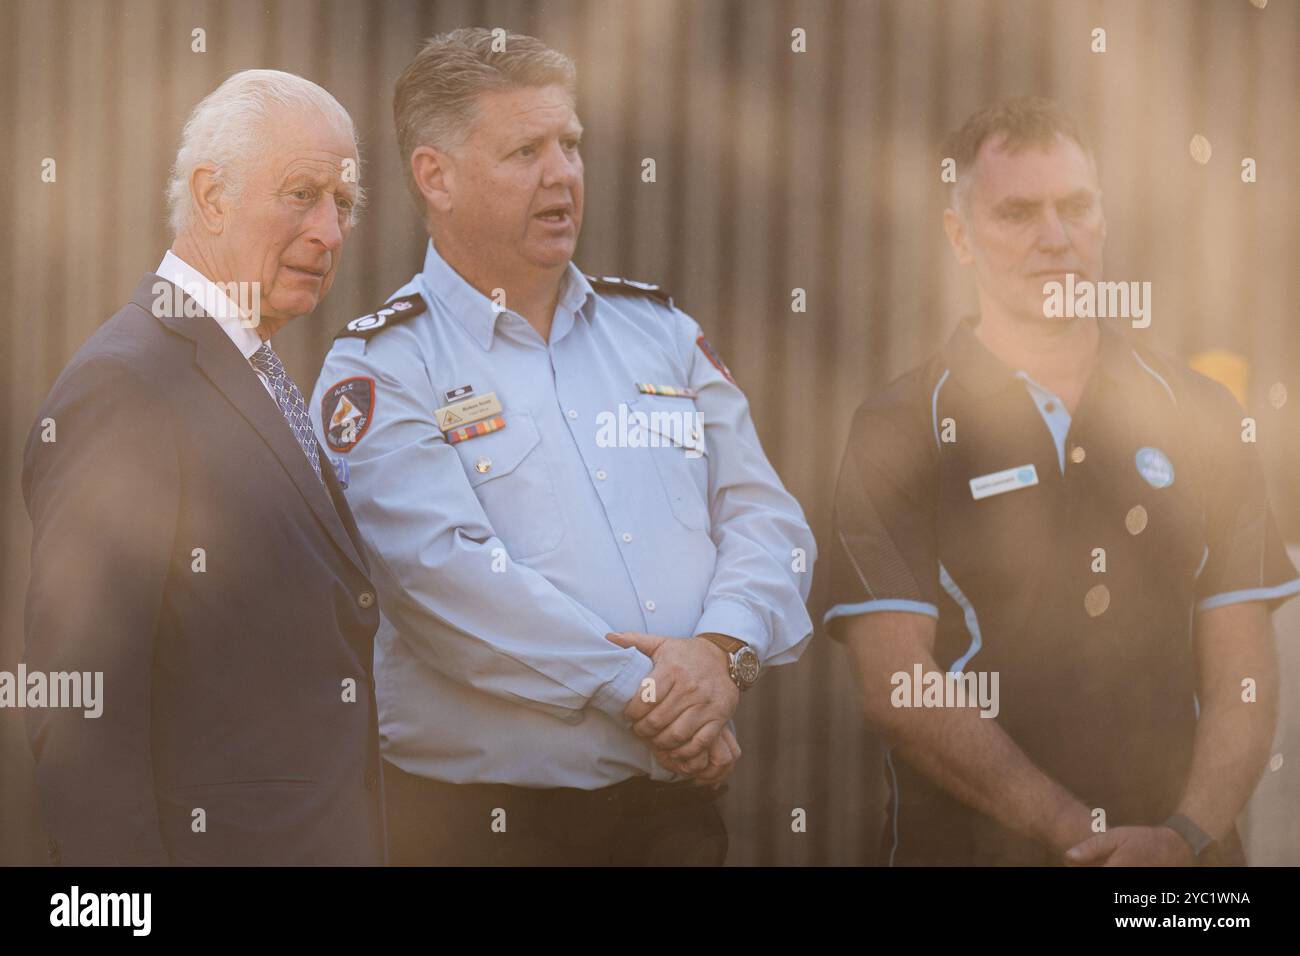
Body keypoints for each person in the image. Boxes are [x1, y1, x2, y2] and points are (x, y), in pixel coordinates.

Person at [310, 28, 815, 866]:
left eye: (570, 145)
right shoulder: (384, 364)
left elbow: (766, 517)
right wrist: (652, 697)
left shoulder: (659, 333)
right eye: (524, 150)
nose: (562, 175)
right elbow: (444, 580)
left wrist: (723, 656)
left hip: (672, 813)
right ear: (435, 176)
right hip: (484, 827)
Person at [825, 97, 1300, 866]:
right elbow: (895, 686)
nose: (1056, 238)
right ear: (960, 237)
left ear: (1103, 218)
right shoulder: (899, 426)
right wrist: (1081, 839)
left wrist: (1182, 838)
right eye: (1017, 213)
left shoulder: (1203, 415)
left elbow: (1245, 675)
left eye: (1075, 207)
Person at [21, 70, 384, 865]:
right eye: (302, 194)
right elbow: (79, 708)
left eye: (344, 205)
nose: (329, 231)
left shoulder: (246, 364)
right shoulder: (129, 383)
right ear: (212, 196)